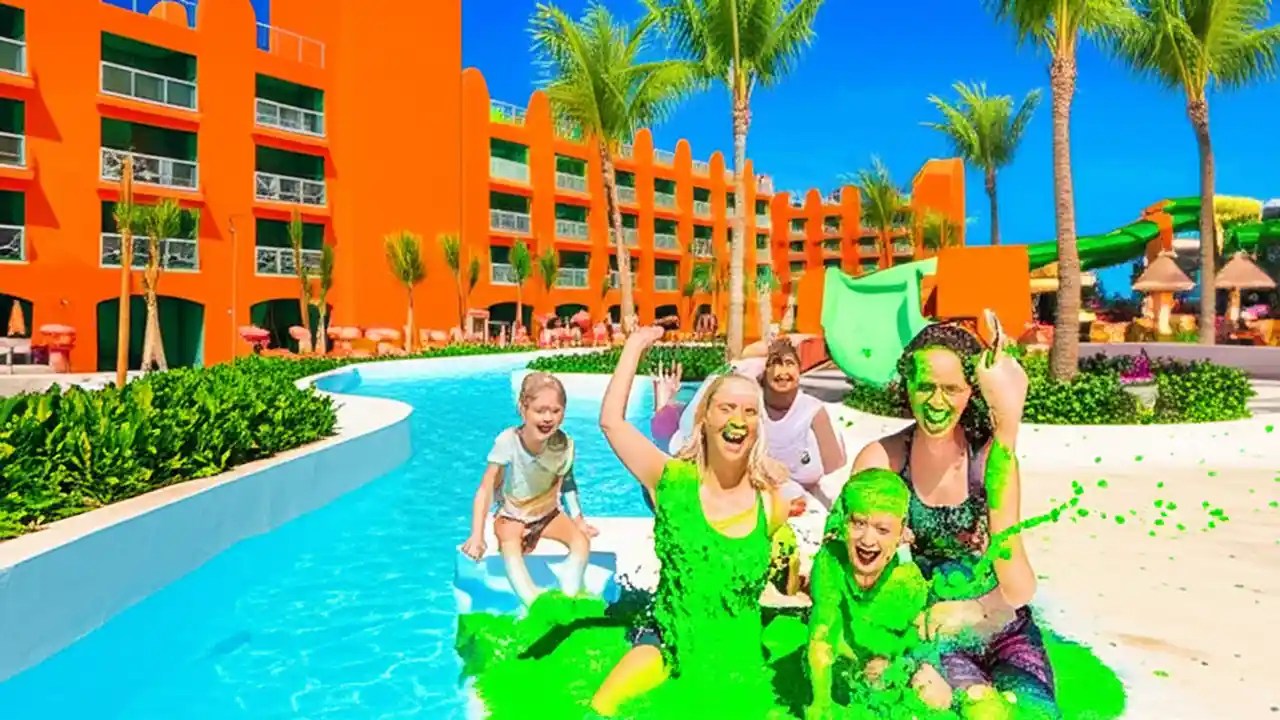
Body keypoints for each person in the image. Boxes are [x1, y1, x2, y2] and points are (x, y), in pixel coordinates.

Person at [852, 322, 1057, 718]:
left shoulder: (989, 463)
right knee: (973, 709)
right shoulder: (882, 462)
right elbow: (854, 568)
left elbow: (1019, 583)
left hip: (1004, 627)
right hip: (934, 636)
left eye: (952, 389)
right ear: (906, 385)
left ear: (971, 393)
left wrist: (972, 610)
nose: (936, 402)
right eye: (926, 386)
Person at [592, 326, 791, 717]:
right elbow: (611, 423)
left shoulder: (771, 504)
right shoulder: (669, 481)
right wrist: (633, 346)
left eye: (749, 411)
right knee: (601, 707)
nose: (738, 420)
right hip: (668, 643)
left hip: (735, 659)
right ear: (704, 418)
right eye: (727, 408)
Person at [806, 468, 953, 719]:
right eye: (858, 523)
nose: (867, 540)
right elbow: (822, 628)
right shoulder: (830, 562)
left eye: (882, 530)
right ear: (845, 522)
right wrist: (820, 704)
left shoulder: (906, 583)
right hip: (839, 667)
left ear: (901, 532)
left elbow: (919, 643)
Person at [649, 337, 847, 506]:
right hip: (695, 430)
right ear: (764, 371)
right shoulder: (751, 402)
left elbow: (834, 466)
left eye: (789, 364)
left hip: (788, 484)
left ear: (799, 370)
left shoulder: (812, 410)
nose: (782, 371)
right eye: (775, 364)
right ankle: (664, 402)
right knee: (664, 429)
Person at [460, 372, 598, 607]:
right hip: (512, 516)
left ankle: (570, 595)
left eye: (555, 411)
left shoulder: (564, 445)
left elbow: (567, 483)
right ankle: (533, 601)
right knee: (510, 545)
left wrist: (578, 519)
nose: (548, 418)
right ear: (523, 409)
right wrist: (476, 535)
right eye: (540, 410)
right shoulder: (508, 442)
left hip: (547, 516)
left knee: (581, 543)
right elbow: (485, 489)